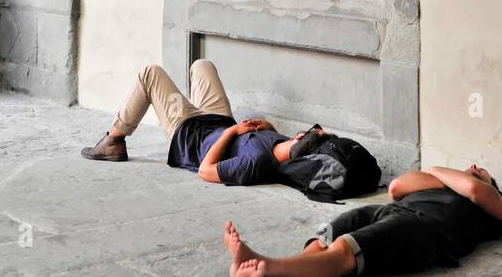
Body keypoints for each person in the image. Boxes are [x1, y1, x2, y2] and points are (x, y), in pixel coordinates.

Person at [223, 162, 502, 277]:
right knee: (322, 242)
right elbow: (397, 188)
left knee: (342, 253)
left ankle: (266, 265)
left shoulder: (497, 205)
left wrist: (455, 173)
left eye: (480, 169)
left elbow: (475, 190)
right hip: (385, 212)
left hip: (423, 231)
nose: (472, 168)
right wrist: (441, 174)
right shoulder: (440, 185)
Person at [80, 60, 324, 187]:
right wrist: (267, 127)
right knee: (202, 65)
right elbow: (269, 145)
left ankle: (114, 140)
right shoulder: (281, 145)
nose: (301, 133)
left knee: (150, 73)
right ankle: (192, 103)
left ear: (298, 141)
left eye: (303, 135)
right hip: (217, 117)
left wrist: (233, 132)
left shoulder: (254, 164)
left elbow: (205, 171)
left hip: (189, 131)